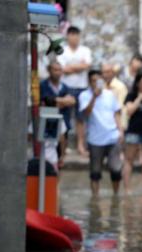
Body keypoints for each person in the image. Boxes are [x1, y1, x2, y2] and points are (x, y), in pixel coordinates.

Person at [78, 69, 124, 196]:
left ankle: (116, 195)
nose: (95, 83)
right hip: (95, 139)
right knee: (95, 172)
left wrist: (120, 130)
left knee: (116, 169)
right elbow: (85, 113)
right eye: (93, 81)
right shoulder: (84, 95)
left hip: (112, 136)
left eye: (98, 81)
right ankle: (95, 197)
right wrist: (94, 97)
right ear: (89, 82)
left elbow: (116, 113)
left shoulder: (110, 95)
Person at [57, 25, 92, 156]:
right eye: (72, 35)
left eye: (77, 35)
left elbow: (87, 65)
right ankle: (63, 145)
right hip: (66, 87)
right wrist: (79, 66)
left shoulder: (85, 50)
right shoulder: (63, 50)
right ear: (68, 36)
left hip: (82, 88)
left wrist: (70, 67)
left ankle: (80, 145)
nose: (75, 38)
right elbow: (62, 69)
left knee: (80, 118)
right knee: (65, 117)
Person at [40, 60, 76, 167]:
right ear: (49, 71)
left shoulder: (65, 87)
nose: (57, 72)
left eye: (59, 70)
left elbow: (72, 101)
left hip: (63, 123)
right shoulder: (43, 85)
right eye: (55, 70)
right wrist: (63, 101)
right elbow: (44, 101)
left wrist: (54, 101)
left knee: (60, 157)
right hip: (47, 125)